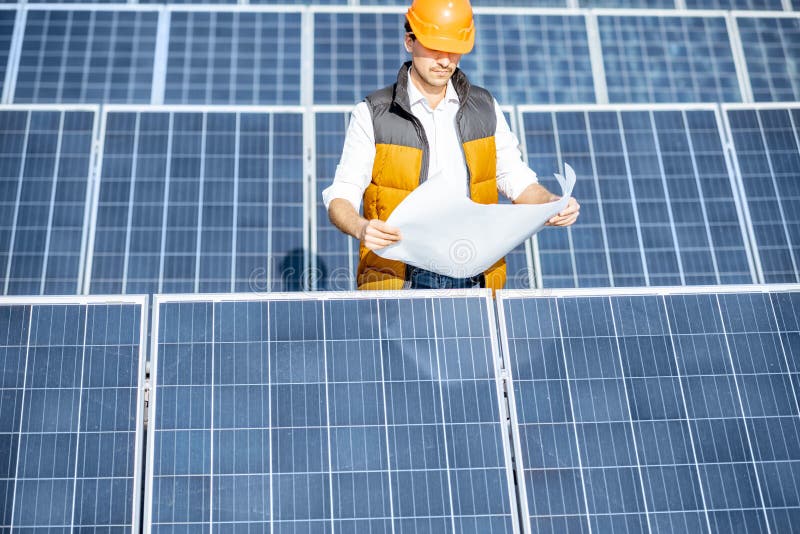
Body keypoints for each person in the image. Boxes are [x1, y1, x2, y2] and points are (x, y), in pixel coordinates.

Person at [322, 0, 579, 291]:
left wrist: (550, 204)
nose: (445, 61)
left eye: (454, 50)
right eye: (435, 48)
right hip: (400, 277)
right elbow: (341, 194)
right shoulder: (373, 113)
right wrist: (362, 227)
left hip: (475, 275)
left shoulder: (485, 107)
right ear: (409, 41)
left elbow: (515, 179)